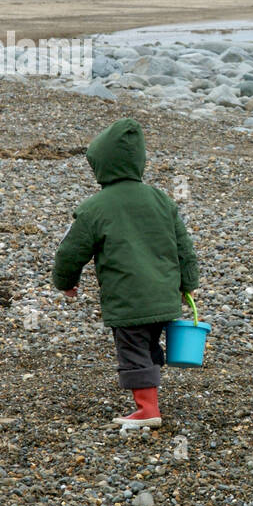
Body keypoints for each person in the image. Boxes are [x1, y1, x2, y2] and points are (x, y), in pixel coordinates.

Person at [52, 118, 199, 427]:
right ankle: (151, 399)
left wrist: (66, 282)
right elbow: (183, 247)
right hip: (164, 296)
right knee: (147, 345)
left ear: (101, 166)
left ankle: (148, 410)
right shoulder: (162, 200)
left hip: (128, 299)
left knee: (132, 349)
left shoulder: (95, 208)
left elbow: (69, 251)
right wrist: (189, 284)